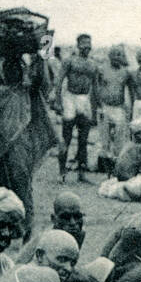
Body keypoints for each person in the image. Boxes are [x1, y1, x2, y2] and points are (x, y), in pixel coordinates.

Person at [0, 54, 56, 238]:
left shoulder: (27, 91)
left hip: (21, 144)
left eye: (16, 69)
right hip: (0, 145)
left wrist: (42, 56)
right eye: (8, 69)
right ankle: (4, 224)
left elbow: (41, 80)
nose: (11, 72)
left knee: (21, 182)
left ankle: (26, 226)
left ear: (21, 71)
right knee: (1, 184)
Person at [58, 34, 98, 183]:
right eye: (84, 43)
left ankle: (82, 173)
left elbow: (95, 87)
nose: (87, 46)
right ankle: (62, 172)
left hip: (84, 99)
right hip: (70, 98)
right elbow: (59, 80)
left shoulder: (93, 64)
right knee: (66, 137)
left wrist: (94, 109)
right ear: (78, 44)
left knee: (84, 138)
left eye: (89, 43)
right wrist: (57, 101)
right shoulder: (70, 61)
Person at [95, 45, 134, 168]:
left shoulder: (126, 73)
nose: (118, 57)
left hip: (119, 108)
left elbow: (131, 91)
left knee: (119, 136)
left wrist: (131, 108)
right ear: (110, 56)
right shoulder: (102, 69)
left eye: (120, 55)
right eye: (115, 54)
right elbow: (95, 88)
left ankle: (116, 162)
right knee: (104, 136)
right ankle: (102, 163)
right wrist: (97, 105)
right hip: (105, 106)